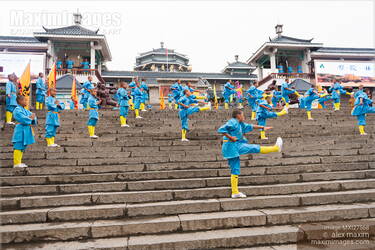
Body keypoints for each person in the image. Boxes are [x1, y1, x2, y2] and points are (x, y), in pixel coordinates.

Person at [218, 109, 283, 198]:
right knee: (253, 147)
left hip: (233, 146)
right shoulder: (233, 122)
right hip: (232, 145)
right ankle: (275, 148)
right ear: (238, 115)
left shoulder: (240, 124)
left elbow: (251, 126)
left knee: (235, 169)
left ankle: (235, 191)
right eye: (243, 115)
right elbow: (221, 129)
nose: (244, 117)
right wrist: (231, 137)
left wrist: (262, 127)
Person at [12, 95, 37, 168]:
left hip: (26, 129)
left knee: (22, 146)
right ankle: (16, 163)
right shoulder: (17, 109)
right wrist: (30, 118)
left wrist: (31, 118)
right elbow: (23, 118)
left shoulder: (25, 110)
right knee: (18, 145)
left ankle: (19, 162)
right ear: (19, 101)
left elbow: (33, 116)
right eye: (25, 100)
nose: (26, 102)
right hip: (20, 129)